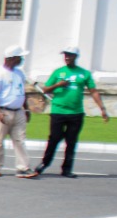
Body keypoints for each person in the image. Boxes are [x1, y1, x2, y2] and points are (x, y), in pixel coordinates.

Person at [37, 44, 110, 178]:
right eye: (65, 55)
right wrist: (58, 84)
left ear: (75, 57)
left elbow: (93, 91)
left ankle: (67, 169)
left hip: (76, 113)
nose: (67, 58)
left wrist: (102, 109)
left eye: (69, 55)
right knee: (54, 138)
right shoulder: (58, 72)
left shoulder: (84, 73)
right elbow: (46, 89)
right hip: (58, 111)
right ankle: (44, 164)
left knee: (71, 141)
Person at [0, 45, 36, 179]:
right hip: (2, 110)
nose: (21, 60)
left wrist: (26, 108)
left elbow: (22, 92)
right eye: (20, 57)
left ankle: (23, 168)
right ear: (12, 58)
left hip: (18, 111)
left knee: (20, 139)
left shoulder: (19, 73)